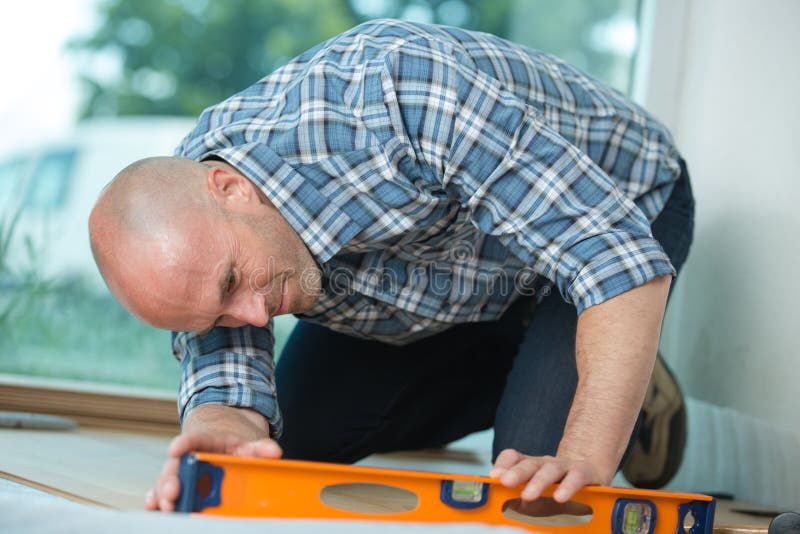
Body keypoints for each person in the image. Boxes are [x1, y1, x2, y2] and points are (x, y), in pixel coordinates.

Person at [88, 19, 694, 513]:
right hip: (451, 278)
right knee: (283, 445)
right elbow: (227, 377)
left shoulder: (399, 92)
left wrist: (587, 449)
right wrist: (227, 429)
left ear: (231, 187)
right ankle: (544, 352)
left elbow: (615, 257)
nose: (249, 316)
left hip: (618, 211)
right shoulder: (191, 234)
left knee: (540, 490)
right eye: (216, 315)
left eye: (232, 282)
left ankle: (611, 361)